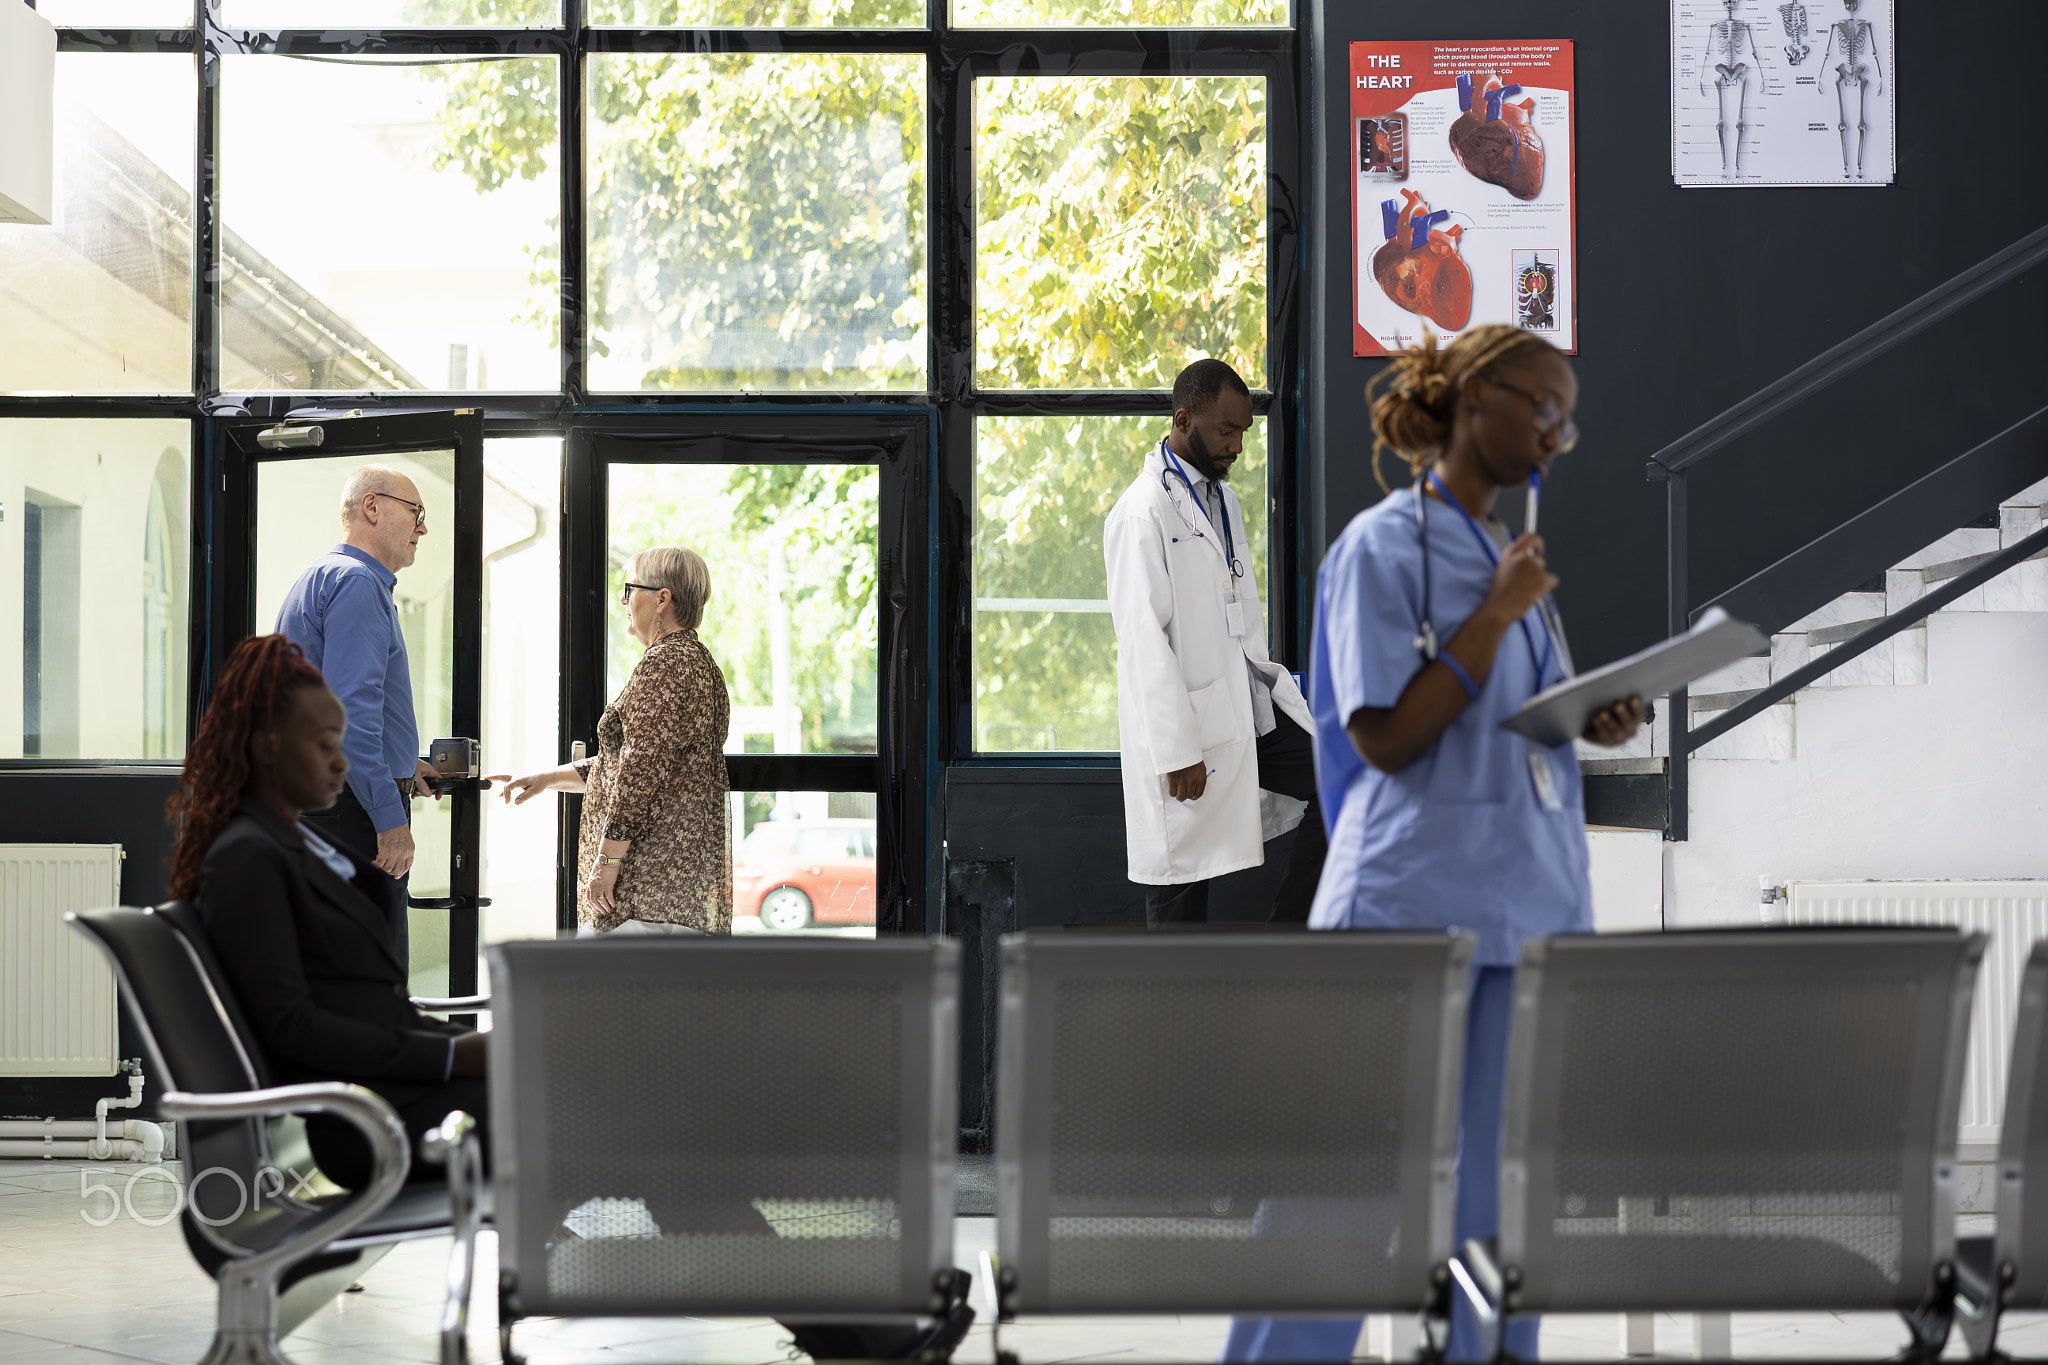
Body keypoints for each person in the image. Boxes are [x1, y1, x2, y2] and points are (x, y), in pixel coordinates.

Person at [1223, 326, 1643, 1363]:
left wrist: (1586, 717)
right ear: (1475, 397)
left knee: (1500, 1209)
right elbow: (1383, 735)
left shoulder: (1507, 561)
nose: (1557, 434)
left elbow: (1503, 721)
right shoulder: (1384, 548)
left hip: (1525, 908)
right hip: (1406, 913)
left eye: (1567, 419)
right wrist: (1495, 617)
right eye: (1543, 406)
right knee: (1342, 1194)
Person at [167, 635, 485, 1191]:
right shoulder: (248, 858)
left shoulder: (299, 846)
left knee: (567, 1092)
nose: (342, 761)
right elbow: (293, 1027)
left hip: (395, 1096)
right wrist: (451, 1055)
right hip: (369, 1121)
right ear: (267, 748)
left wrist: (455, 1048)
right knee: (570, 1106)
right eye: (325, 745)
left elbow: (369, 1004)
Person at [1104, 358, 1326, 925]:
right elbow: (1143, 643)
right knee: (1181, 888)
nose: (1237, 446)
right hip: (1188, 726)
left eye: (1244, 432)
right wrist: (1178, 752)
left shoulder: (1222, 500)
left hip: (1246, 707)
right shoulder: (1141, 513)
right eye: (1226, 431)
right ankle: (1174, 990)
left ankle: (1288, 944)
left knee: (1342, 781)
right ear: (1183, 420)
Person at [492, 546, 733, 935]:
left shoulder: (663, 664)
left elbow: (639, 774)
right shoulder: (701, 664)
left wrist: (606, 865)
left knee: (603, 975)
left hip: (644, 889)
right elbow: (632, 764)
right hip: (676, 887)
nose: (623, 601)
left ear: (662, 599)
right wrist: (546, 779)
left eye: (629, 589)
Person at [275, 464, 442, 971]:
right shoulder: (358, 584)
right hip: (352, 814)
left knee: (334, 970)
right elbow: (347, 719)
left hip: (327, 805)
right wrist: (390, 820)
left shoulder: (325, 578)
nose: (423, 528)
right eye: (415, 512)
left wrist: (403, 764)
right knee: (368, 978)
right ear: (373, 507)